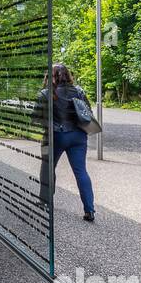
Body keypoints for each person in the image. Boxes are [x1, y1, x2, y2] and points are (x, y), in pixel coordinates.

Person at [37, 63, 97, 222]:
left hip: (56, 136)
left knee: (47, 168)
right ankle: (89, 210)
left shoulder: (45, 93)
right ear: (68, 75)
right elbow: (88, 113)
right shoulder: (79, 91)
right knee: (81, 171)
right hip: (78, 136)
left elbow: (36, 118)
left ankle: (45, 202)